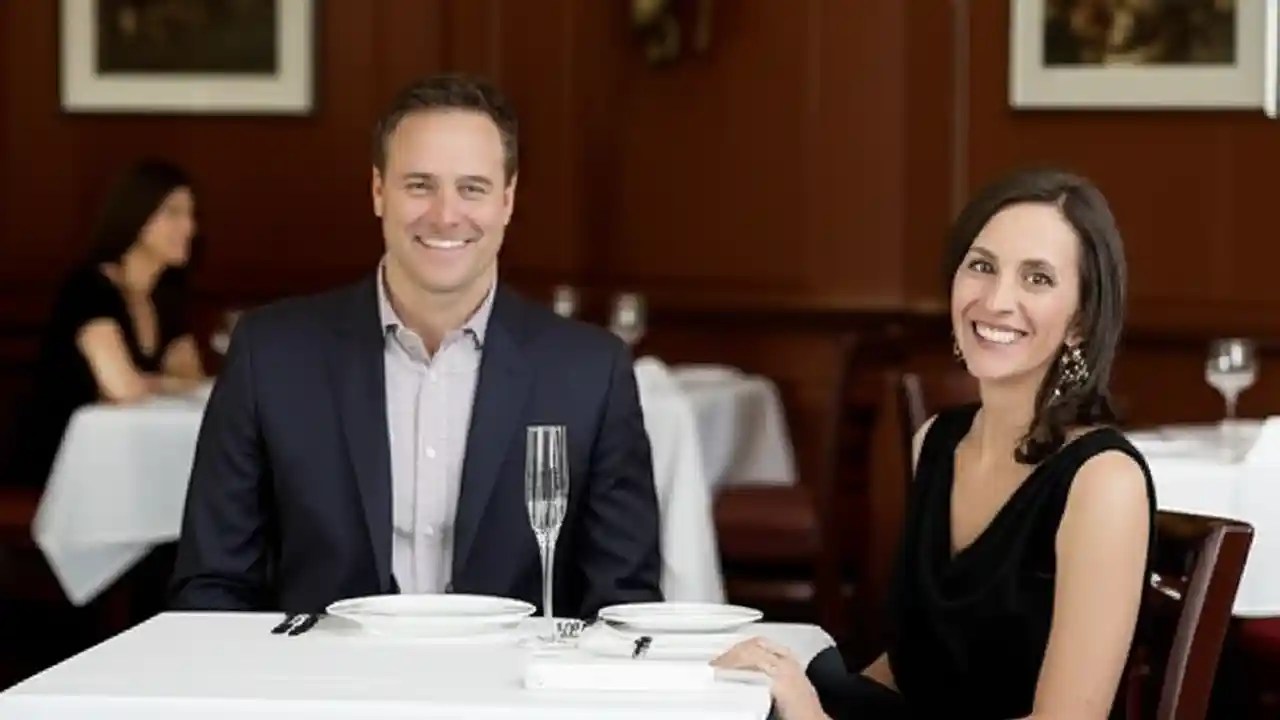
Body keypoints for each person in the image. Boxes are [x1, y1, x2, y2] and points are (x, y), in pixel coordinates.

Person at [169, 74, 663, 618]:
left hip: (511, 695)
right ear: (379, 191)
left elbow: (624, 606)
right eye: (419, 184)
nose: (446, 214)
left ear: (508, 200)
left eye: (472, 187)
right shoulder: (272, 355)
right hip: (328, 694)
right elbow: (212, 588)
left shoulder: (591, 373)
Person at [714, 169, 1156, 720]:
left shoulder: (1103, 482)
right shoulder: (937, 443)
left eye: (1037, 279)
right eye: (982, 266)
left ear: (1081, 322)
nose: (996, 299)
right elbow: (914, 667)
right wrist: (787, 683)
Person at [5, 159, 206, 489]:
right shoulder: (88, 289)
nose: (189, 227)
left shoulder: (166, 296)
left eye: (190, 214)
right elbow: (123, 387)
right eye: (173, 213)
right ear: (136, 215)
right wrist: (164, 383)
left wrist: (152, 382)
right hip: (62, 468)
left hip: (132, 463)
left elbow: (191, 378)